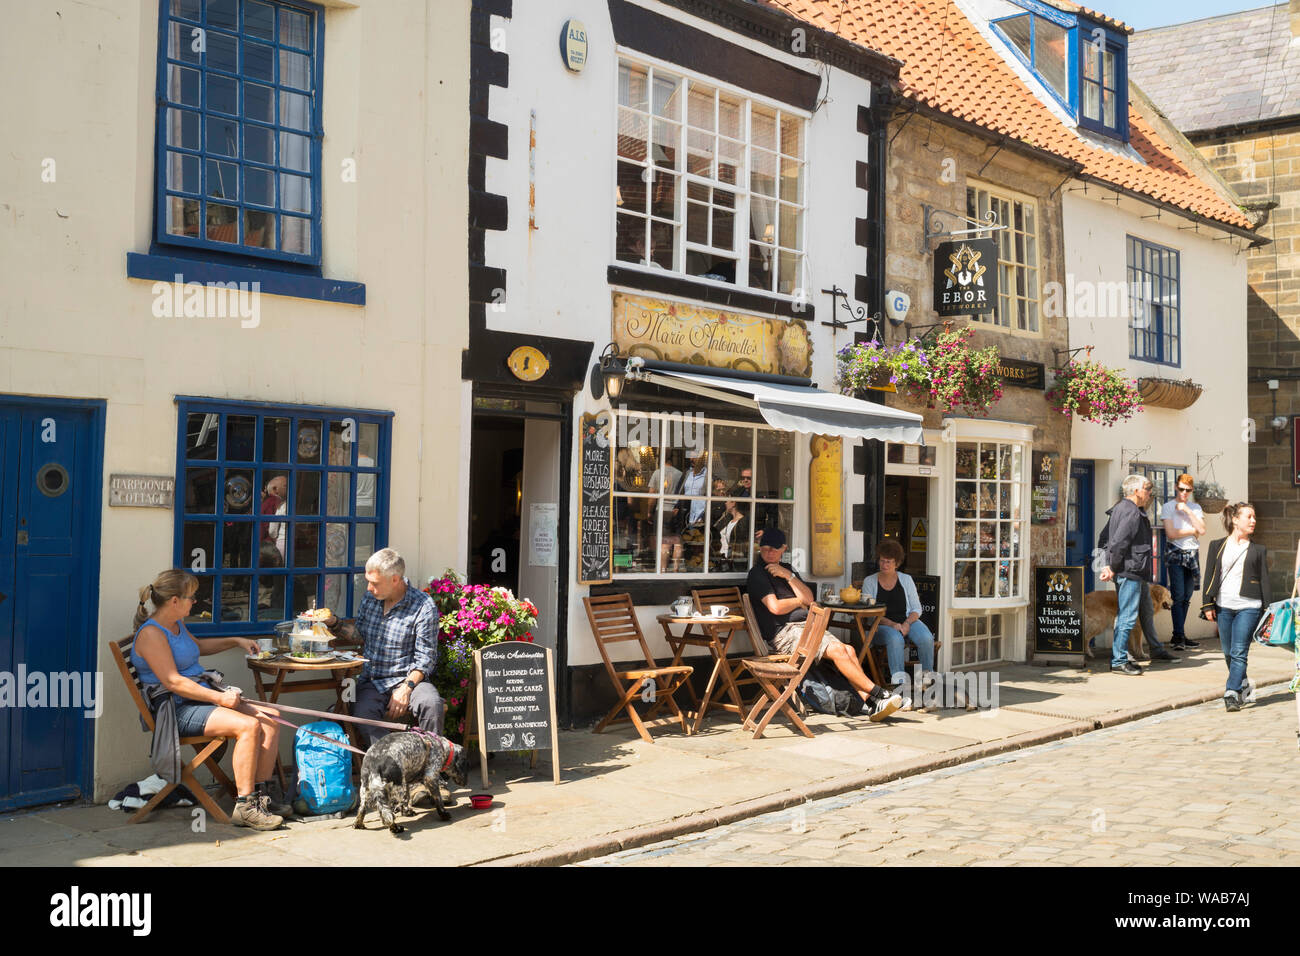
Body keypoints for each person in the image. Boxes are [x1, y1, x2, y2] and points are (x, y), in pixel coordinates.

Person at [129, 569, 288, 830]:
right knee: (248, 726)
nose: (195, 601)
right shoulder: (152, 635)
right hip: (175, 708)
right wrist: (220, 697)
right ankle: (245, 809)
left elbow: (198, 648)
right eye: (191, 597)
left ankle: (260, 800)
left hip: (197, 699)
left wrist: (236, 640)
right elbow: (173, 682)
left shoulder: (176, 624)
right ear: (174, 601)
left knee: (271, 718)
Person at [745, 529, 903, 720]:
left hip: (808, 625)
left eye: (774, 549)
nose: (769, 553)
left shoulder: (788, 569)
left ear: (783, 549)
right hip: (785, 632)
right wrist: (799, 601)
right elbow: (776, 607)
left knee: (849, 650)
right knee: (838, 650)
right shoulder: (757, 574)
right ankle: (880, 693)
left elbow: (809, 598)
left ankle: (871, 704)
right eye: (765, 549)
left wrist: (789, 576)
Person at [330, 548, 444, 747]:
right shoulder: (370, 599)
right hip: (373, 681)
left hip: (409, 680)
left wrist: (405, 689)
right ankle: (393, 760)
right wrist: (333, 623)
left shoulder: (423, 606)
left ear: (395, 579)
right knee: (362, 714)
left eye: (374, 583)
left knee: (432, 704)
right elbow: (360, 634)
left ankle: (430, 767)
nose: (368, 588)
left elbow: (426, 659)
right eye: (368, 581)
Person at [1099, 474, 1177, 675]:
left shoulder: (1122, 509)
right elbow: (1117, 543)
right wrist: (1112, 566)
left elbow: (1105, 539)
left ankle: (1156, 650)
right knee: (1127, 616)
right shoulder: (1131, 513)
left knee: (1146, 612)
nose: (1150, 493)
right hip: (1130, 571)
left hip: (1136, 571)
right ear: (1136, 491)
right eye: (1147, 489)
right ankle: (1119, 660)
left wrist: (1109, 565)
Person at [1200, 502, 1269, 712]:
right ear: (1236, 520)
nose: (1253, 521)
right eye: (1249, 517)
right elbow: (1210, 575)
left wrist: (1268, 612)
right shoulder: (1217, 545)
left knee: (1239, 651)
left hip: (1250, 605)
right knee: (1229, 652)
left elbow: (1265, 581)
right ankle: (1245, 685)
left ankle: (1231, 692)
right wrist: (1207, 604)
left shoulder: (1258, 550)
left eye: (1254, 517)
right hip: (1223, 606)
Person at [862, 539, 936, 704]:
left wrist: (907, 624)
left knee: (926, 638)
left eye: (889, 561)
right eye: (882, 560)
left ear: (897, 563)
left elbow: (917, 609)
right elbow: (869, 614)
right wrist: (893, 625)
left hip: (907, 620)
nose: (884, 564)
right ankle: (899, 690)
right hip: (881, 625)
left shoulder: (906, 580)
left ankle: (927, 683)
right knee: (895, 638)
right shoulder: (870, 581)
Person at [1161, 473, 1206, 650]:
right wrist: (1191, 531)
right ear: (1175, 488)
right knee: (1178, 596)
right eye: (1181, 489)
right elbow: (1171, 535)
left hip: (1192, 553)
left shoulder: (1195, 507)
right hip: (1175, 553)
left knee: (1187, 596)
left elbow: (1201, 530)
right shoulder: (1168, 507)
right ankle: (1178, 636)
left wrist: (1187, 511)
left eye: (1187, 490)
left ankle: (1178, 635)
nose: (1184, 493)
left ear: (1192, 490)